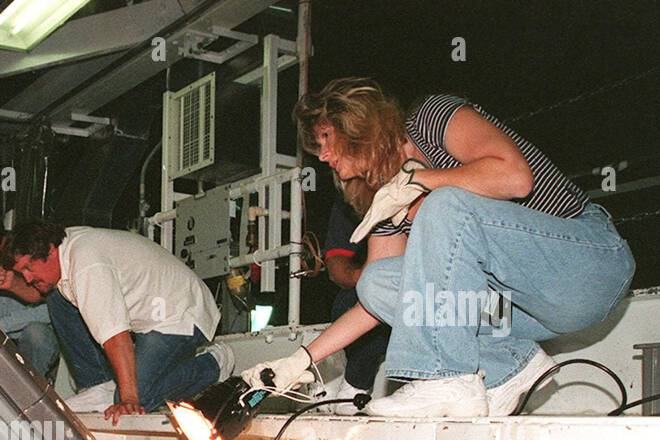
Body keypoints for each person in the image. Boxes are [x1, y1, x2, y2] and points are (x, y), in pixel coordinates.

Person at [245, 78, 635, 417]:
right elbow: (375, 303)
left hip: (588, 264)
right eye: (317, 149)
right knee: (376, 282)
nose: (323, 155)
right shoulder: (387, 197)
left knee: (446, 204)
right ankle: (510, 369)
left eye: (326, 139)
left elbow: (516, 178)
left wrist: (421, 182)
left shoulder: (430, 119)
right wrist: (301, 360)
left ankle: (447, 377)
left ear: (357, 122)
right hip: (526, 309)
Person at [5, 222, 233, 424]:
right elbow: (38, 294)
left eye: (28, 268)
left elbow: (116, 337)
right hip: (152, 316)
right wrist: (11, 284)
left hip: (181, 314)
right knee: (56, 297)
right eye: (20, 271)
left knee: (138, 398)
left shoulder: (86, 264)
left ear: (51, 251)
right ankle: (98, 385)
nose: (26, 277)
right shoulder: (65, 250)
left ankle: (214, 363)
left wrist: (129, 399)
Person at [0, 216, 61, 379]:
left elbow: (47, 310)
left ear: (3, 241)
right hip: (12, 336)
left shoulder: (26, 262)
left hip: (43, 335)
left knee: (35, 333)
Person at [321, 197, 390, 413]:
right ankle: (354, 384)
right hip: (397, 286)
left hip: (448, 286)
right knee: (349, 301)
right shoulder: (354, 197)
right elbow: (338, 268)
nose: (325, 160)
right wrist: (299, 360)